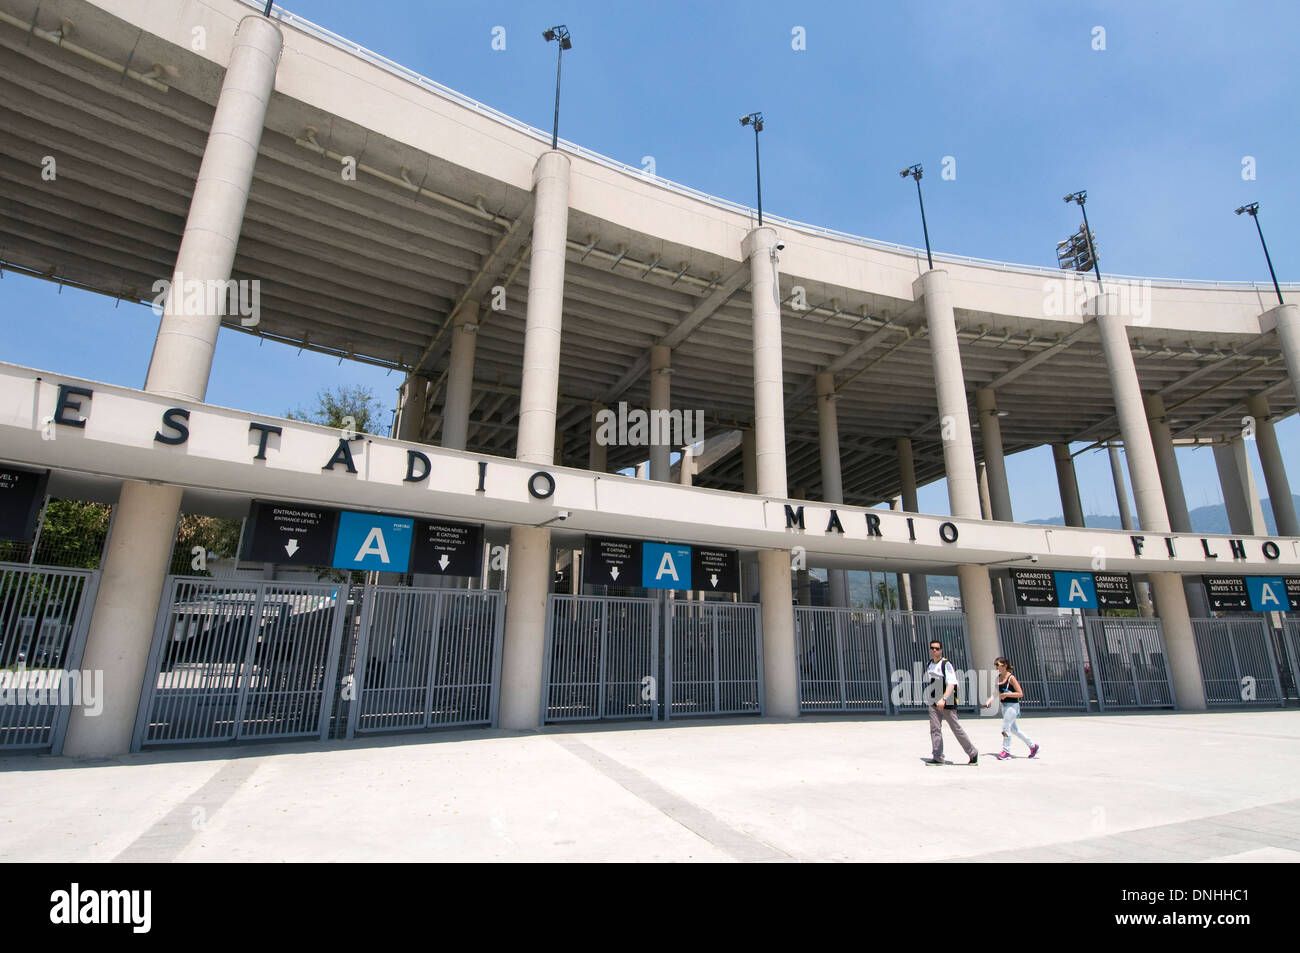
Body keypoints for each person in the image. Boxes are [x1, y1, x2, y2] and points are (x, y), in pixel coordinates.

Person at [924, 640, 978, 765]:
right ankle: (937, 757)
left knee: (956, 728)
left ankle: (973, 753)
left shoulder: (946, 664)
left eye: (937, 648)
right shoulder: (929, 664)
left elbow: (952, 683)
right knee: (935, 729)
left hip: (946, 701)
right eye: (932, 648)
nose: (934, 650)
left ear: (941, 650)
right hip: (933, 701)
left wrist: (943, 698)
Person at [983, 657, 1040, 760]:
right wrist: (989, 701)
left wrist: (1007, 695)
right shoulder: (998, 677)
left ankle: (1006, 751)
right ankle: (1033, 746)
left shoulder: (1011, 678)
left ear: (1005, 666)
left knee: (1005, 728)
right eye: (995, 665)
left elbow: (1020, 694)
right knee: (1015, 730)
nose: (996, 667)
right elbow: (996, 693)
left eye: (998, 665)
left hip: (1012, 706)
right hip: (1005, 706)